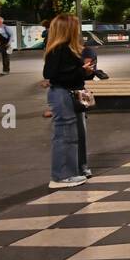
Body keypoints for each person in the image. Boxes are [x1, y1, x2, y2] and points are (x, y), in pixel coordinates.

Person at [42, 13, 89, 188]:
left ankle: (70, 172)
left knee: (71, 135)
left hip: (67, 93)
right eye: (75, 27)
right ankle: (61, 176)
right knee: (64, 135)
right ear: (68, 29)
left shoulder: (63, 48)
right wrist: (81, 71)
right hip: (62, 94)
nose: (78, 30)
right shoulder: (60, 49)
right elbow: (51, 74)